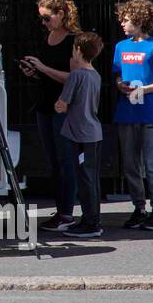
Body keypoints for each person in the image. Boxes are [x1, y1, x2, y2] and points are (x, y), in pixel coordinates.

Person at [19, 0, 80, 233]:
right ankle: (61, 208)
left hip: (63, 107)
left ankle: (67, 213)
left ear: (61, 14)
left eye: (47, 18)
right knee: (53, 162)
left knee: (66, 160)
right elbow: (46, 74)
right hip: (44, 105)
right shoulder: (48, 37)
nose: (44, 23)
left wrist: (42, 67)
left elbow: (74, 78)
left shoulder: (74, 40)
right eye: (41, 19)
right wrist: (33, 71)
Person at [112, 0, 153, 231]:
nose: (122, 24)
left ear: (139, 21)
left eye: (126, 20)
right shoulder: (120, 47)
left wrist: (145, 89)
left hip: (148, 112)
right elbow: (117, 74)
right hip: (126, 111)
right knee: (130, 164)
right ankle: (139, 207)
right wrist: (120, 85)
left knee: (152, 164)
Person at [54, 32, 105, 238]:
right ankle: (92, 219)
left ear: (78, 50)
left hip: (80, 135)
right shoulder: (95, 75)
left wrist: (58, 105)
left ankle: (90, 222)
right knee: (91, 179)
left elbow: (61, 105)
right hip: (93, 133)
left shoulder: (76, 76)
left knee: (85, 180)